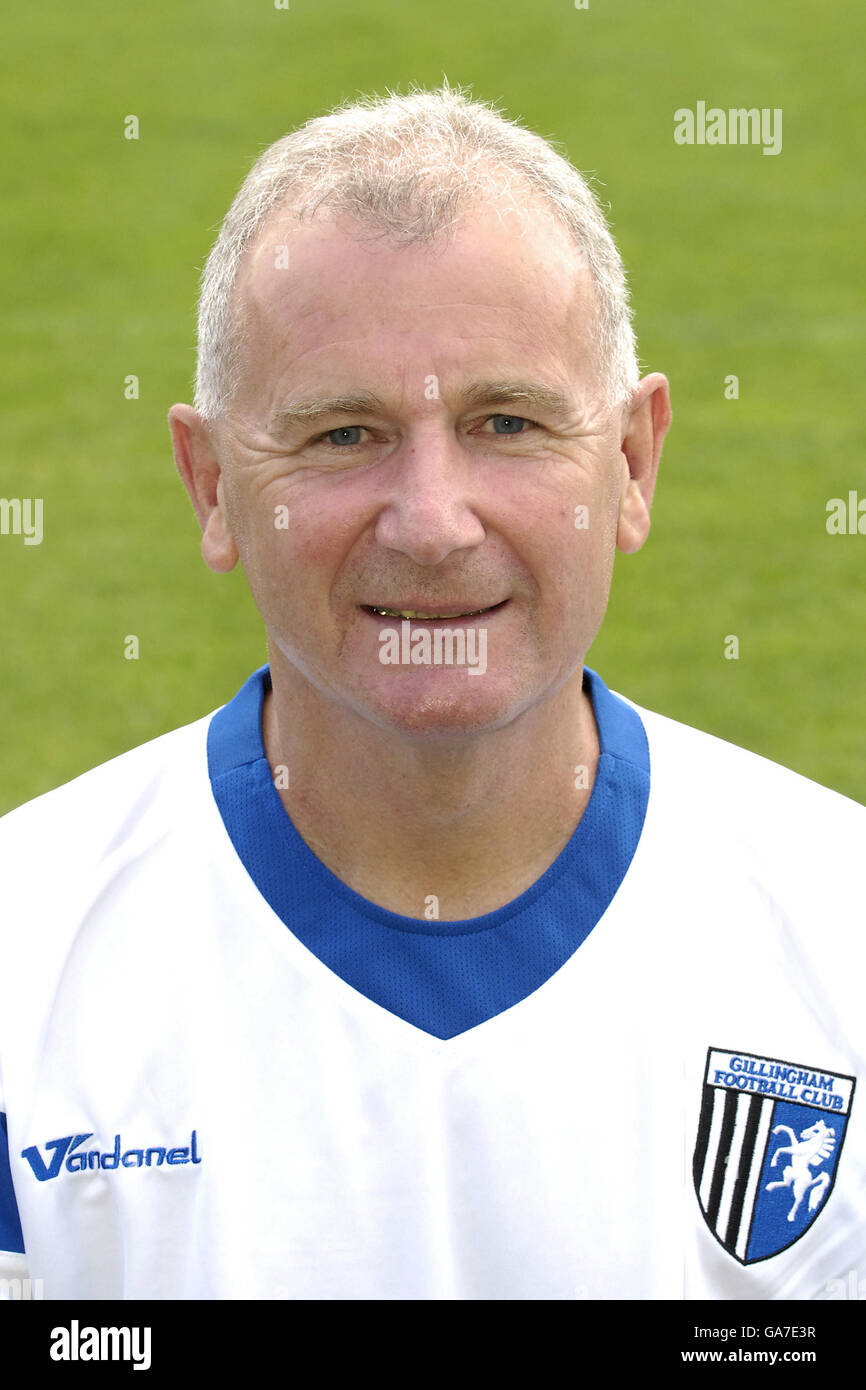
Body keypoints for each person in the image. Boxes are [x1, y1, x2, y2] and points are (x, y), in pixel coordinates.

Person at [0, 82, 863, 1302]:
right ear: (210, 485)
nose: (430, 522)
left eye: (505, 422)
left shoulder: (840, 935)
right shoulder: (22, 968)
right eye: (341, 434)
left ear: (629, 463)